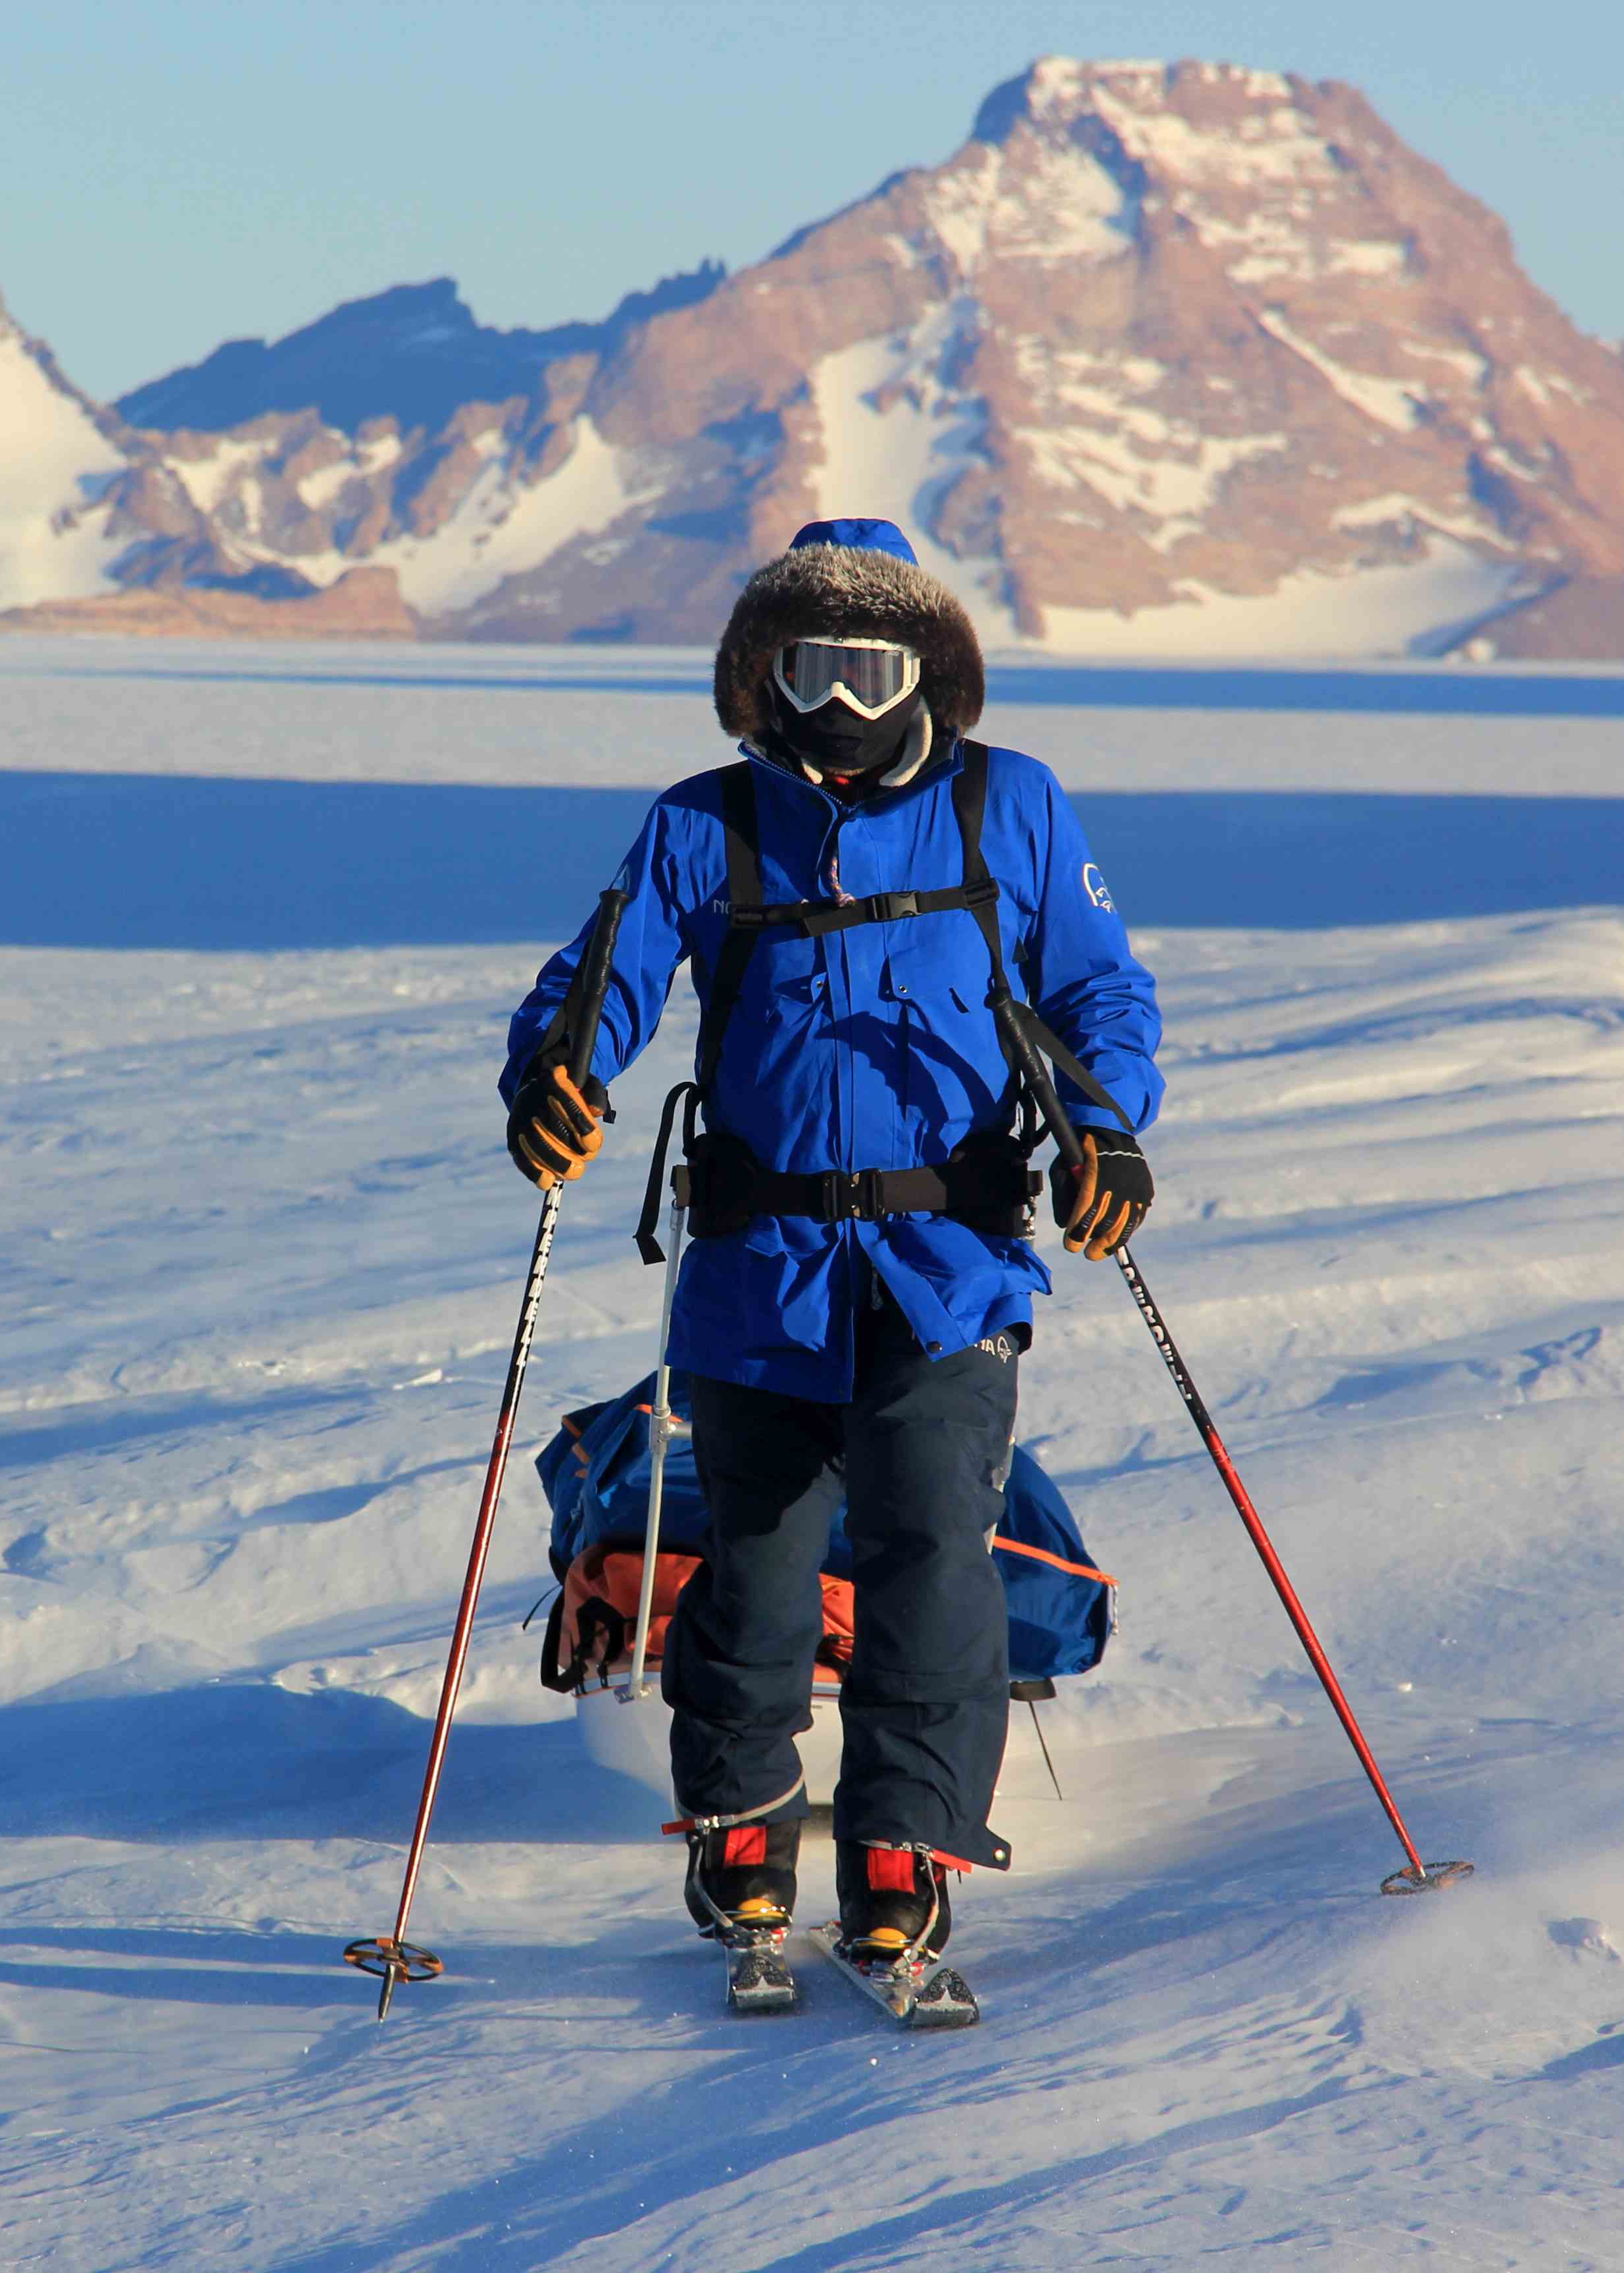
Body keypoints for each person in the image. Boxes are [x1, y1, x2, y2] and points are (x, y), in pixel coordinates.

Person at [501, 518, 1163, 1970]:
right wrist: (557, 1074)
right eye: (812, 665)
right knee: (755, 1556)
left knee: (934, 1551)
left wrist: (1104, 1130)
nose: (846, 702)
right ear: (764, 673)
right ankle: (738, 1824)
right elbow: (597, 977)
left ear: (929, 664)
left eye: (874, 664)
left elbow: (1103, 990)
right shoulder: (706, 820)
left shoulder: (1013, 807)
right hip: (757, 1269)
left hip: (950, 1262)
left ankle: (902, 1846)